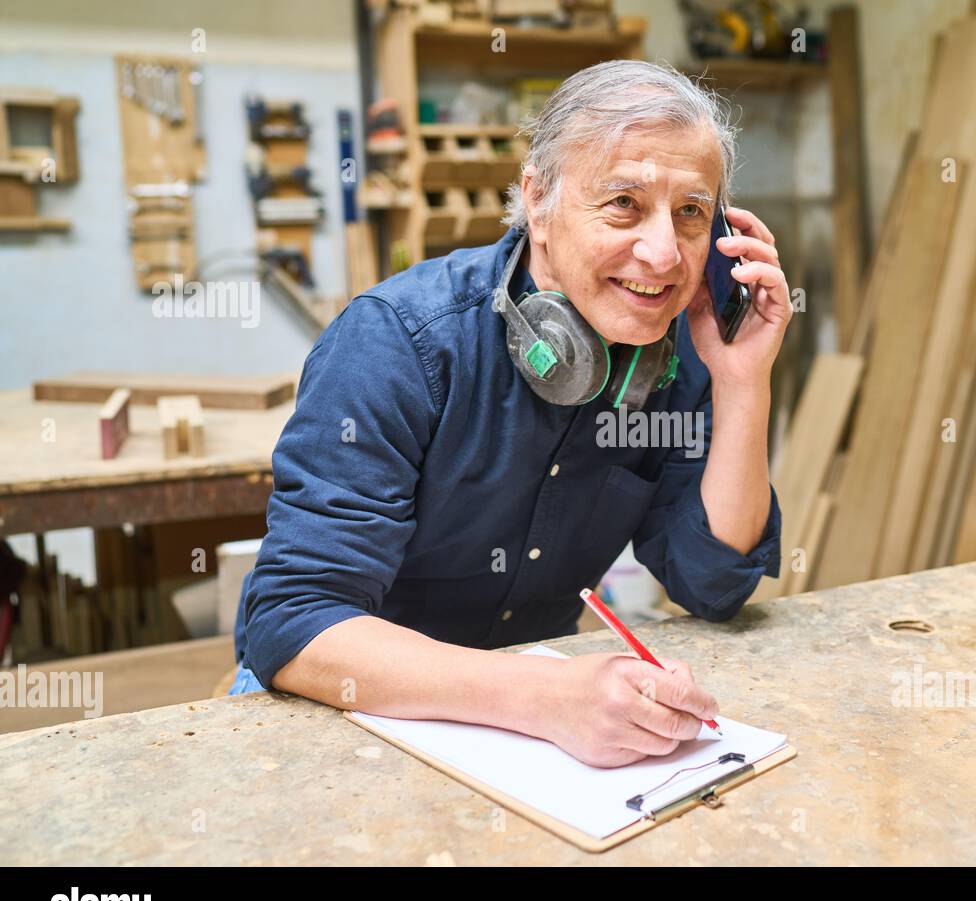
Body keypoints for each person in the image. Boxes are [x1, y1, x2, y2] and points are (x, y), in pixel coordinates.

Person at [232, 60, 794, 767]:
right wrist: (543, 694)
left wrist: (743, 382)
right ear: (538, 199)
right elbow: (294, 622)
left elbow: (713, 582)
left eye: (690, 212)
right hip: (344, 713)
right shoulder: (397, 343)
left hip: (532, 729)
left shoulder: (677, 354)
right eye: (623, 202)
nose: (662, 252)